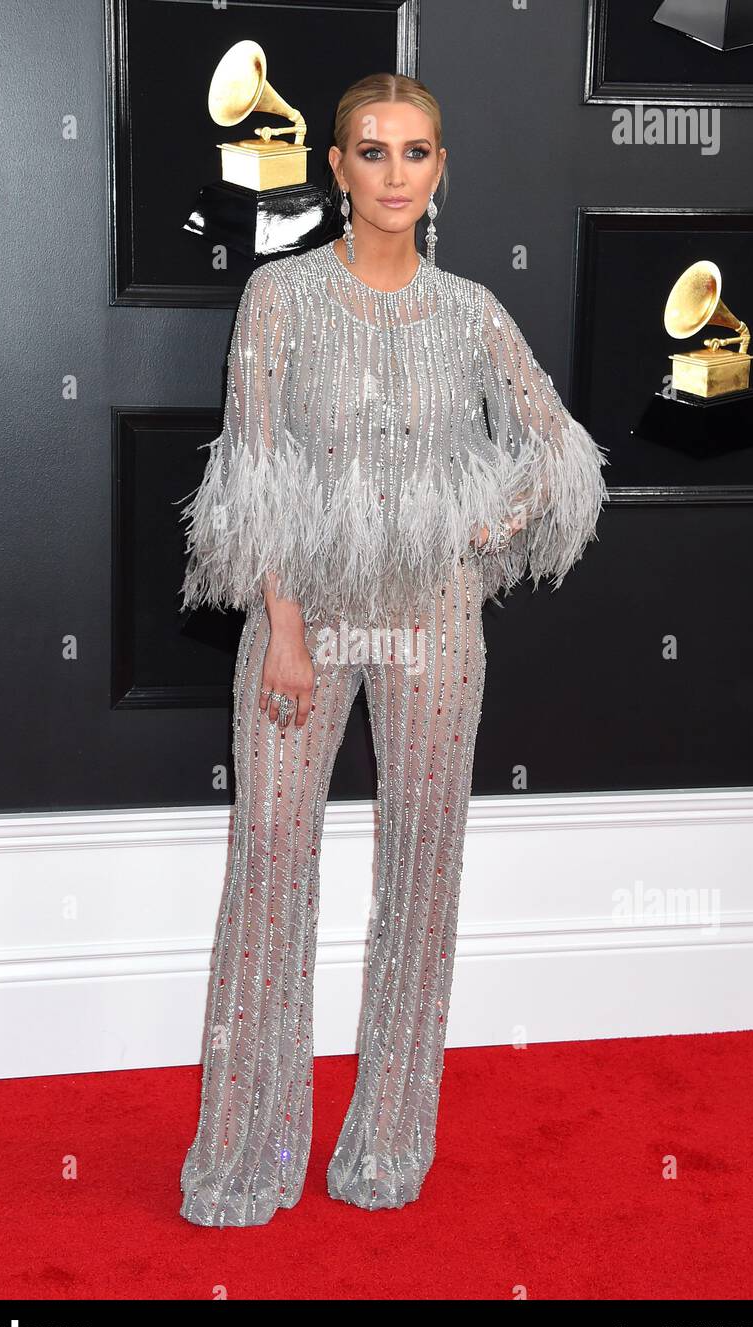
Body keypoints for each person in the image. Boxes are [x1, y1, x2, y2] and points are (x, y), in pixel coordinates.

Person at [174, 72, 609, 1227]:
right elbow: (254, 472)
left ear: (437, 168)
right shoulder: (276, 297)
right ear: (335, 167)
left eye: (415, 152)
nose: (394, 174)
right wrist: (281, 630)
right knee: (269, 870)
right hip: (298, 627)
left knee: (423, 872)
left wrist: (484, 522)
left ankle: (386, 1148)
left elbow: (559, 448)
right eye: (372, 152)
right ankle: (246, 1158)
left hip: (433, 624)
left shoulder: (470, 313)